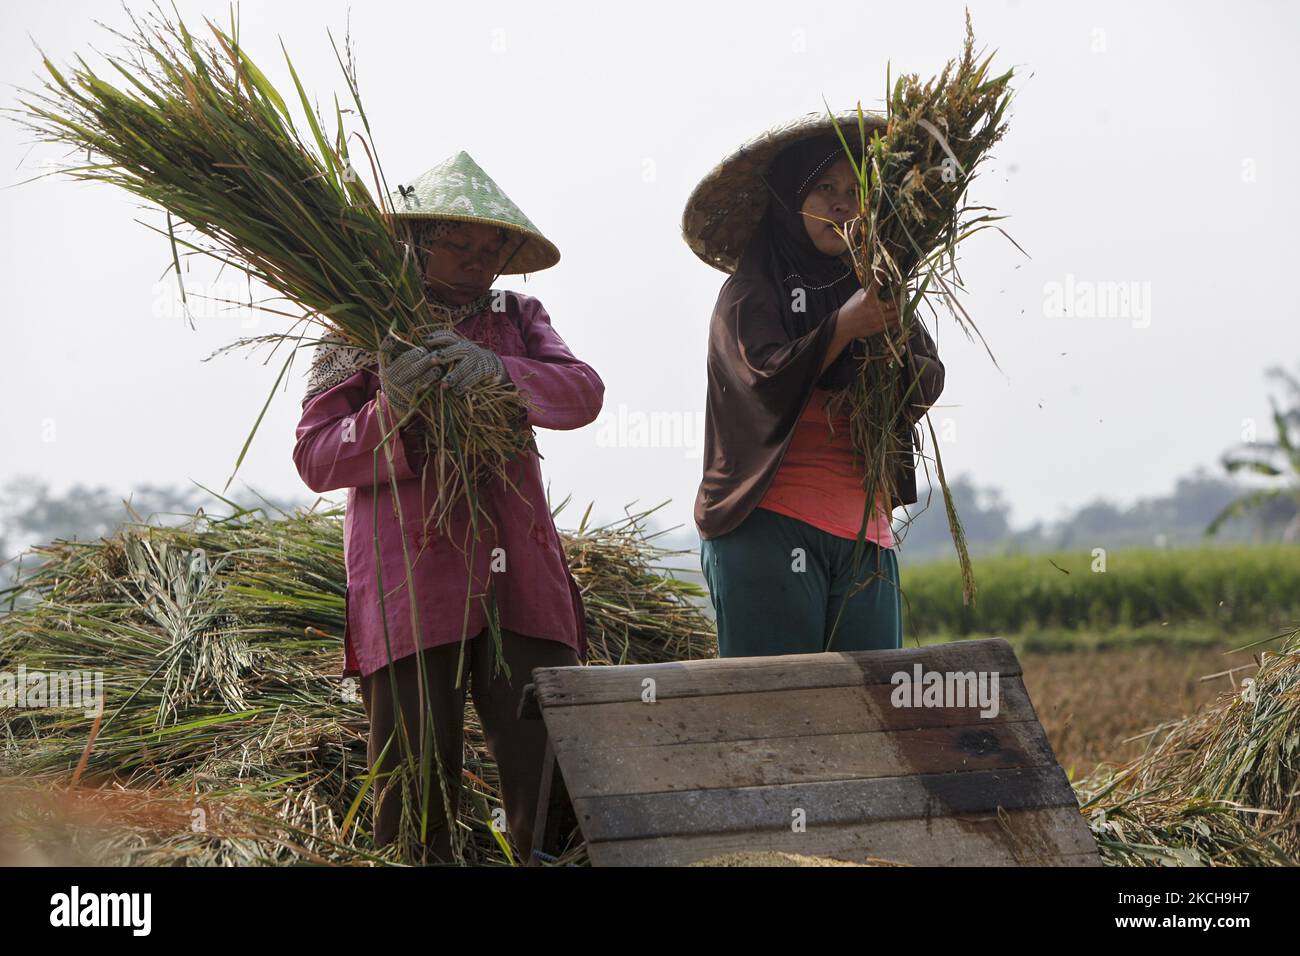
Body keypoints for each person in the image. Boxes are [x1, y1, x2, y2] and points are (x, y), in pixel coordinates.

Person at [292, 151, 604, 863]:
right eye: (454, 243)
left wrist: (500, 370)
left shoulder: (517, 315)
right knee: (413, 792)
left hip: (521, 579)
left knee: (555, 783)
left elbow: (582, 392)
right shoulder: (361, 326)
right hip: (412, 583)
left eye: (488, 247)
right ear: (414, 242)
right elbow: (316, 457)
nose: (473, 260)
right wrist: (392, 409)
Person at [681, 113, 945, 658]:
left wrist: (890, 346)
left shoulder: (876, 284)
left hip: (866, 535)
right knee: (779, 713)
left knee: (871, 714)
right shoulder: (748, 295)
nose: (843, 204)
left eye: (855, 191)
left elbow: (926, 381)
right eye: (824, 188)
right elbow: (764, 380)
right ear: (789, 198)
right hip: (767, 526)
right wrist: (843, 327)